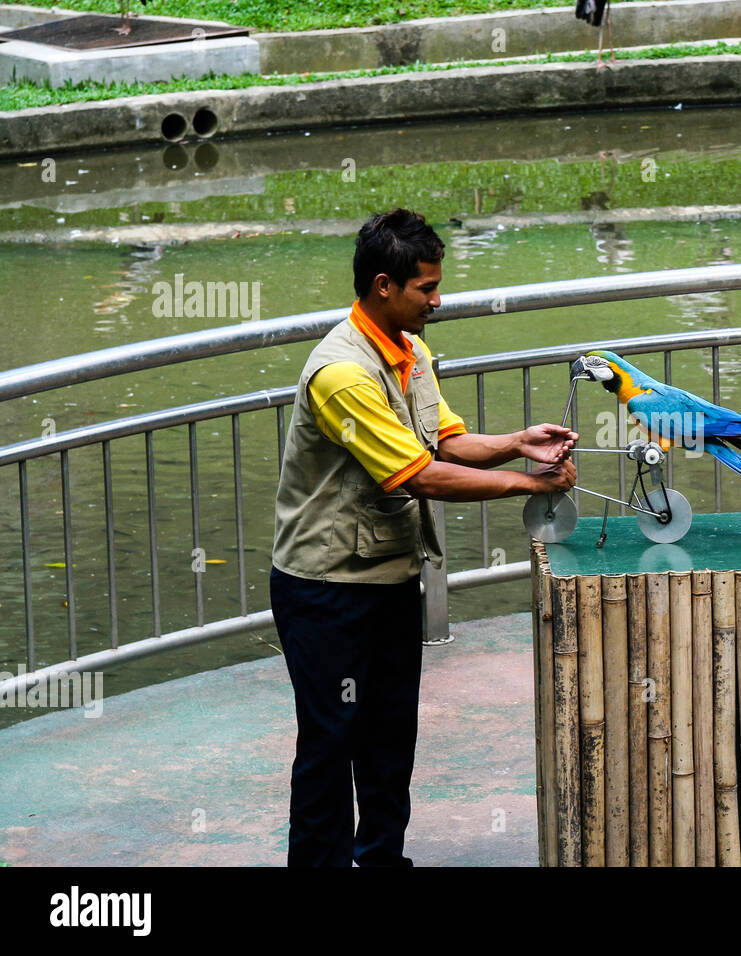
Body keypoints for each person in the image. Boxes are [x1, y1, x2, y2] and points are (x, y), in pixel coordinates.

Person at [269, 208, 577, 867]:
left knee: (387, 738)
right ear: (385, 285)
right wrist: (528, 487)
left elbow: (445, 442)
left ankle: (382, 860)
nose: (437, 301)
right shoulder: (342, 375)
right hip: (326, 589)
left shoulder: (409, 353)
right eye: (426, 289)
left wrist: (517, 443)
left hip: (388, 580)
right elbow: (420, 476)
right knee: (330, 741)